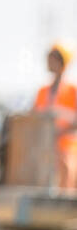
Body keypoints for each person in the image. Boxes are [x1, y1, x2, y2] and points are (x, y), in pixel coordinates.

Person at [32, 42, 77, 189]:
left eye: (52, 58)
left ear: (61, 62)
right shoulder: (42, 91)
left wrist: (59, 128)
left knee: (66, 187)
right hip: (44, 149)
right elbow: (34, 117)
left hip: (67, 150)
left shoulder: (72, 90)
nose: (48, 62)